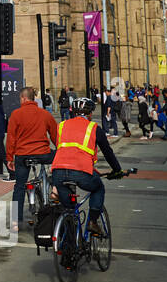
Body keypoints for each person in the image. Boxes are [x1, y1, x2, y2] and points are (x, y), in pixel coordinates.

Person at [51, 97, 124, 238]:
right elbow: (108, 153)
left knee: (69, 210)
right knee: (98, 188)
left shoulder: (61, 125)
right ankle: (92, 222)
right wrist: (117, 170)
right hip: (81, 172)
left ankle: (69, 245)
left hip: (58, 172)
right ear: (90, 113)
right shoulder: (94, 128)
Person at [4, 86, 58, 231]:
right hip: (43, 153)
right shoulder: (45, 114)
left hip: (23, 155)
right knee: (59, 159)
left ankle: (15, 222)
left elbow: (11, 138)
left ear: (23, 98)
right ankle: (55, 188)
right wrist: (60, 150)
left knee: (19, 187)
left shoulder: (16, 114)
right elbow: (55, 135)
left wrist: (10, 157)